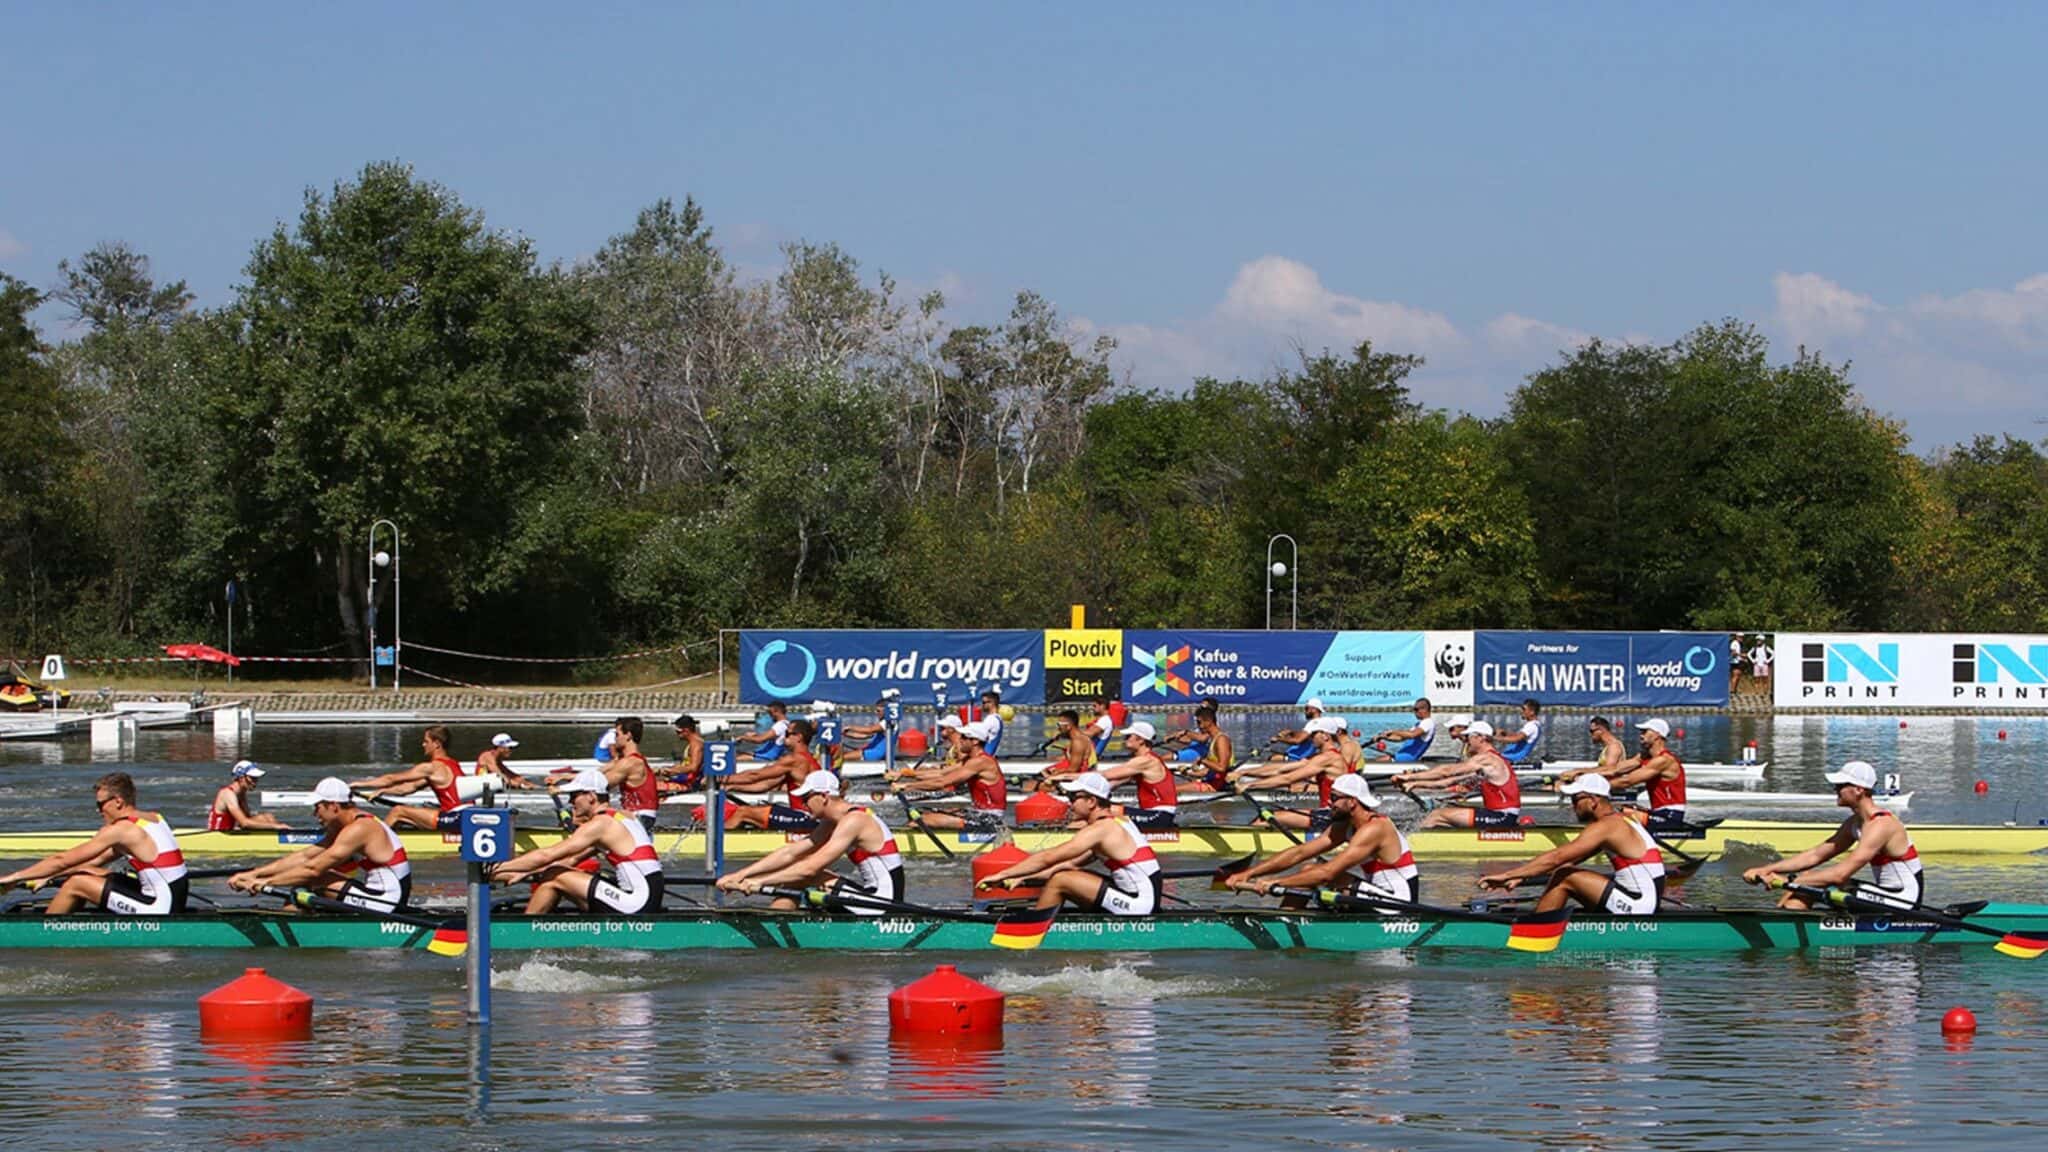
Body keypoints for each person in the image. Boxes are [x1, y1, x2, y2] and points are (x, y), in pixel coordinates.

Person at [717, 770, 905, 914]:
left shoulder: (854, 820)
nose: (803, 804)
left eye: (806, 798)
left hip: (882, 904)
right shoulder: (832, 821)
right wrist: (741, 875)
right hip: (868, 894)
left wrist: (756, 883)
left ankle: (775, 922)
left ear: (823, 796)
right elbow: (790, 853)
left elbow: (809, 869)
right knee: (798, 875)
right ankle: (777, 918)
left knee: (804, 875)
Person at [0, 772, 189, 916]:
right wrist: (47, 877)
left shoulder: (121, 830)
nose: (98, 811)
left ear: (118, 801)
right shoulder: (154, 818)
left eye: (100, 805)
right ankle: (70, 921)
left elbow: (62, 859)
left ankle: (41, 932)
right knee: (85, 873)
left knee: (76, 883)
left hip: (160, 909)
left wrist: (15, 877)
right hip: (172, 899)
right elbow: (96, 861)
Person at [1741, 760, 1920, 910]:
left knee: (1811, 883)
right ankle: (1781, 922)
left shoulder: (1881, 825)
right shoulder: (1854, 823)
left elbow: (1839, 875)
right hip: (1882, 894)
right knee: (1807, 880)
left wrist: (1788, 881)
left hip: (1904, 900)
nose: (1835, 789)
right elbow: (1815, 855)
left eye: (1841, 785)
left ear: (1858, 790)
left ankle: (1785, 930)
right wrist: (1767, 869)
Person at [977, 771, 1161, 916]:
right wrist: (1021, 878)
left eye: (1074, 798)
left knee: (1061, 880)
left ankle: (1032, 932)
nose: (1070, 804)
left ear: (1091, 801)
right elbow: (1070, 863)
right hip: (1137, 899)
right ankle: (1044, 920)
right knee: (1066, 873)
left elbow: (1049, 857)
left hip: (1139, 905)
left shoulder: (1102, 829)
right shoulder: (1118, 822)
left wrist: (1002, 874)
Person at [1479, 775, 1666, 915]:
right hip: (1642, 901)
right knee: (1566, 870)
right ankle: (1546, 919)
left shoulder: (1607, 826)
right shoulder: (1624, 820)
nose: (1572, 806)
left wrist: (1507, 874)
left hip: (1638, 906)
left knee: (1564, 876)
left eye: (1576, 799)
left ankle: (1535, 930)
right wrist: (1523, 877)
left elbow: (1556, 857)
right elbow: (1571, 858)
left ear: (1593, 800)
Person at [1229, 774, 1418, 908]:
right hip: (1376, 893)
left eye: (1334, 798)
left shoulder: (1375, 828)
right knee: (1308, 869)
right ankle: (1285, 919)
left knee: (1315, 874)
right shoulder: (1346, 825)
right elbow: (1299, 853)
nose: (1329, 802)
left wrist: (1277, 883)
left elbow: (1328, 873)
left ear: (1352, 801)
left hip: (1398, 903)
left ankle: (1284, 923)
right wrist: (1249, 873)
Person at [492, 769, 666, 915]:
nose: (570, 801)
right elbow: (571, 860)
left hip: (636, 903)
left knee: (554, 875)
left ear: (591, 796)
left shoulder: (600, 824)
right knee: (554, 875)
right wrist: (523, 872)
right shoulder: (624, 816)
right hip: (648, 897)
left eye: (574, 795)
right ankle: (533, 924)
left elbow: (547, 855)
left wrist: (495, 869)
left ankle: (521, 931)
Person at [228, 777, 411, 911]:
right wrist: (252, 874)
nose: (315, 814)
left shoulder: (360, 828)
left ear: (333, 806)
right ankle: (293, 919)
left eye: (317, 807)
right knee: (306, 879)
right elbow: (304, 856)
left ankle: (293, 925)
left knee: (312, 878)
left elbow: (313, 869)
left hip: (387, 901)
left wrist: (262, 883)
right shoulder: (344, 826)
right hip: (375, 894)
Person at [1392, 721, 1522, 830]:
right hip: (1497, 815)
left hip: (1502, 817)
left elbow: (1447, 771)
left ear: (1481, 738)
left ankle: (1410, 844)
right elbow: (1447, 782)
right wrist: (1415, 784)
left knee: (1437, 815)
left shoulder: (1488, 759)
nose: (1466, 741)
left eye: (1469, 737)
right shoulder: (1482, 765)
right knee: (1443, 811)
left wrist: (1411, 776)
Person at [1231, 717, 1349, 833]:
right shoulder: (1319, 757)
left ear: (1325, 736)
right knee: (1269, 814)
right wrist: (1243, 772)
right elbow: (1280, 769)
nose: (1310, 738)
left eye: (1313, 734)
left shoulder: (1328, 758)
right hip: (1327, 812)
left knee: (1266, 817)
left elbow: (1288, 778)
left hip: (1331, 816)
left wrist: (1249, 785)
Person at [351, 725, 476, 831]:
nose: (423, 744)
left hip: (455, 817)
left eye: (426, 741)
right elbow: (409, 788)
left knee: (398, 811)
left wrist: (359, 784)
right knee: (415, 811)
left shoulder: (431, 768)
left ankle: (376, 845)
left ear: (437, 744)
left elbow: (391, 779)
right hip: (467, 815)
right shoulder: (452, 763)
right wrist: (383, 791)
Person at [891, 718, 1007, 830]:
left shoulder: (981, 762)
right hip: (977, 812)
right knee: (919, 811)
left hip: (990, 818)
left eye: (964, 737)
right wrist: (904, 774)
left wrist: (905, 786)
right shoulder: (969, 760)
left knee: (919, 820)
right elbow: (941, 773)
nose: (960, 740)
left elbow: (942, 782)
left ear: (975, 741)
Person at [718, 718, 824, 831]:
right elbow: (765, 785)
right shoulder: (808, 760)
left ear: (799, 737)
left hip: (805, 817)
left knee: (743, 812)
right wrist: (732, 787)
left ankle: (715, 842)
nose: (783, 737)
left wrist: (720, 779)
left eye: (787, 734)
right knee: (751, 811)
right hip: (809, 817)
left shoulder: (795, 760)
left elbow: (755, 775)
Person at [1605, 718, 1687, 831]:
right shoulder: (1645, 757)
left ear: (1657, 735)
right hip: (1658, 813)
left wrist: (1595, 786)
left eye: (1645, 732)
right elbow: (1615, 769)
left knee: (1618, 813)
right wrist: (1580, 773)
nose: (1641, 735)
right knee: (1617, 808)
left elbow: (1627, 781)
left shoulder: (1664, 760)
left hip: (1670, 816)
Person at [1095, 721, 1178, 830]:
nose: (1126, 739)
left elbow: (1106, 774)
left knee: (1105, 810)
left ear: (1141, 740)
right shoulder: (1140, 764)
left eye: (1129, 736)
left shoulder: (1146, 761)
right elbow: (1114, 783)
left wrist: (1071, 777)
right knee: (1102, 807)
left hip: (1159, 815)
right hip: (1153, 814)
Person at [208, 760, 287, 831]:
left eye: (256, 778)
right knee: (267, 820)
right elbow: (244, 823)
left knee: (268, 817)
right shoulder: (227, 794)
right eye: (252, 778)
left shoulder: (241, 794)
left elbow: (248, 819)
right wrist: (275, 826)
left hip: (229, 831)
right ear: (241, 778)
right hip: (218, 834)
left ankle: (277, 840)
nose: (255, 782)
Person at [1034, 709, 1097, 790]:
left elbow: (1073, 769)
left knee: (1038, 783)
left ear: (1068, 726)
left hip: (1078, 777)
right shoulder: (1077, 737)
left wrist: (1056, 773)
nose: (1057, 728)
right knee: (1040, 775)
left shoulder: (1078, 742)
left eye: (1059, 725)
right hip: (1073, 772)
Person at [1182, 705, 1234, 792]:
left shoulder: (1221, 739)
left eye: (1199, 722)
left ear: (1209, 721)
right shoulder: (1212, 739)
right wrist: (1190, 773)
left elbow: (1222, 768)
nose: (1198, 726)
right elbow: (1211, 770)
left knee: (1171, 790)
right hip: (1211, 781)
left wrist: (1203, 760)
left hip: (1217, 786)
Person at [1371, 698, 1438, 762]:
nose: (1414, 712)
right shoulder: (1419, 724)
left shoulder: (1428, 722)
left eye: (1416, 709)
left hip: (1408, 759)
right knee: (1377, 759)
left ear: (1424, 709)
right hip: (1402, 756)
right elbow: (1400, 738)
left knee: (1378, 761)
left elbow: (1412, 735)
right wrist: (1383, 737)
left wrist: (1393, 731)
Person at [660, 715, 707, 796]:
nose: (677, 734)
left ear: (686, 730)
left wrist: (672, 771)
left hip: (690, 784)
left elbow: (693, 767)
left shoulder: (696, 745)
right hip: (685, 779)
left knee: (653, 783)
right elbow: (687, 765)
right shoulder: (694, 743)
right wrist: (671, 770)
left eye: (678, 732)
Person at [475, 733, 540, 790]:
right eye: (510, 747)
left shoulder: (497, 760)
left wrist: (531, 784)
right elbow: (502, 779)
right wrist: (521, 785)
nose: (511, 750)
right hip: (480, 790)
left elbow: (511, 775)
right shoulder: (487, 757)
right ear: (500, 747)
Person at [1496, 699, 1544, 764]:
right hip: (1511, 757)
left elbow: (1516, 739)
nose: (1521, 711)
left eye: (1524, 709)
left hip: (1513, 758)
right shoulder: (1535, 724)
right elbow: (1518, 736)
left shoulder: (1531, 726)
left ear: (1532, 712)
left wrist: (1494, 738)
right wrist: (1505, 733)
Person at [978, 689, 1006, 755]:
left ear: (992, 703)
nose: (982, 705)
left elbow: (978, 737)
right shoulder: (998, 718)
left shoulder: (991, 719)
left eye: (984, 702)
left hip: (985, 757)